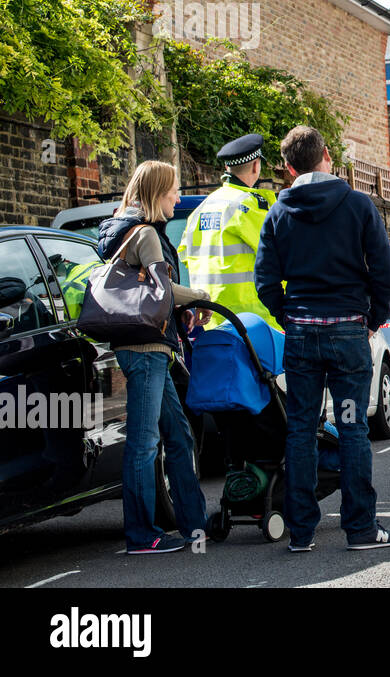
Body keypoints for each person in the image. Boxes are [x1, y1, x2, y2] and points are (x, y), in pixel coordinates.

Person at [253, 126, 390, 551]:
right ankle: (360, 530)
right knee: (353, 425)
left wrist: (289, 318)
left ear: (287, 167)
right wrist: (373, 320)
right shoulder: (357, 205)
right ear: (327, 157)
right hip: (348, 336)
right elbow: (383, 270)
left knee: (300, 429)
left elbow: (265, 280)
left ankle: (300, 534)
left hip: (301, 338)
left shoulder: (278, 214)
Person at [97, 160, 212, 555]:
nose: (178, 198)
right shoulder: (145, 234)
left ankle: (194, 522)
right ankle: (141, 536)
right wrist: (200, 295)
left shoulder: (121, 228)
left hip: (148, 350)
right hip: (147, 350)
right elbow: (164, 291)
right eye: (173, 191)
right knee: (145, 443)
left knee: (178, 435)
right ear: (155, 192)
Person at [178, 133, 279, 330]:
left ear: (227, 167)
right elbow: (279, 254)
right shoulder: (248, 206)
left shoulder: (201, 209)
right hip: (253, 321)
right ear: (256, 165)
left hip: (211, 320)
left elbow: (184, 255)